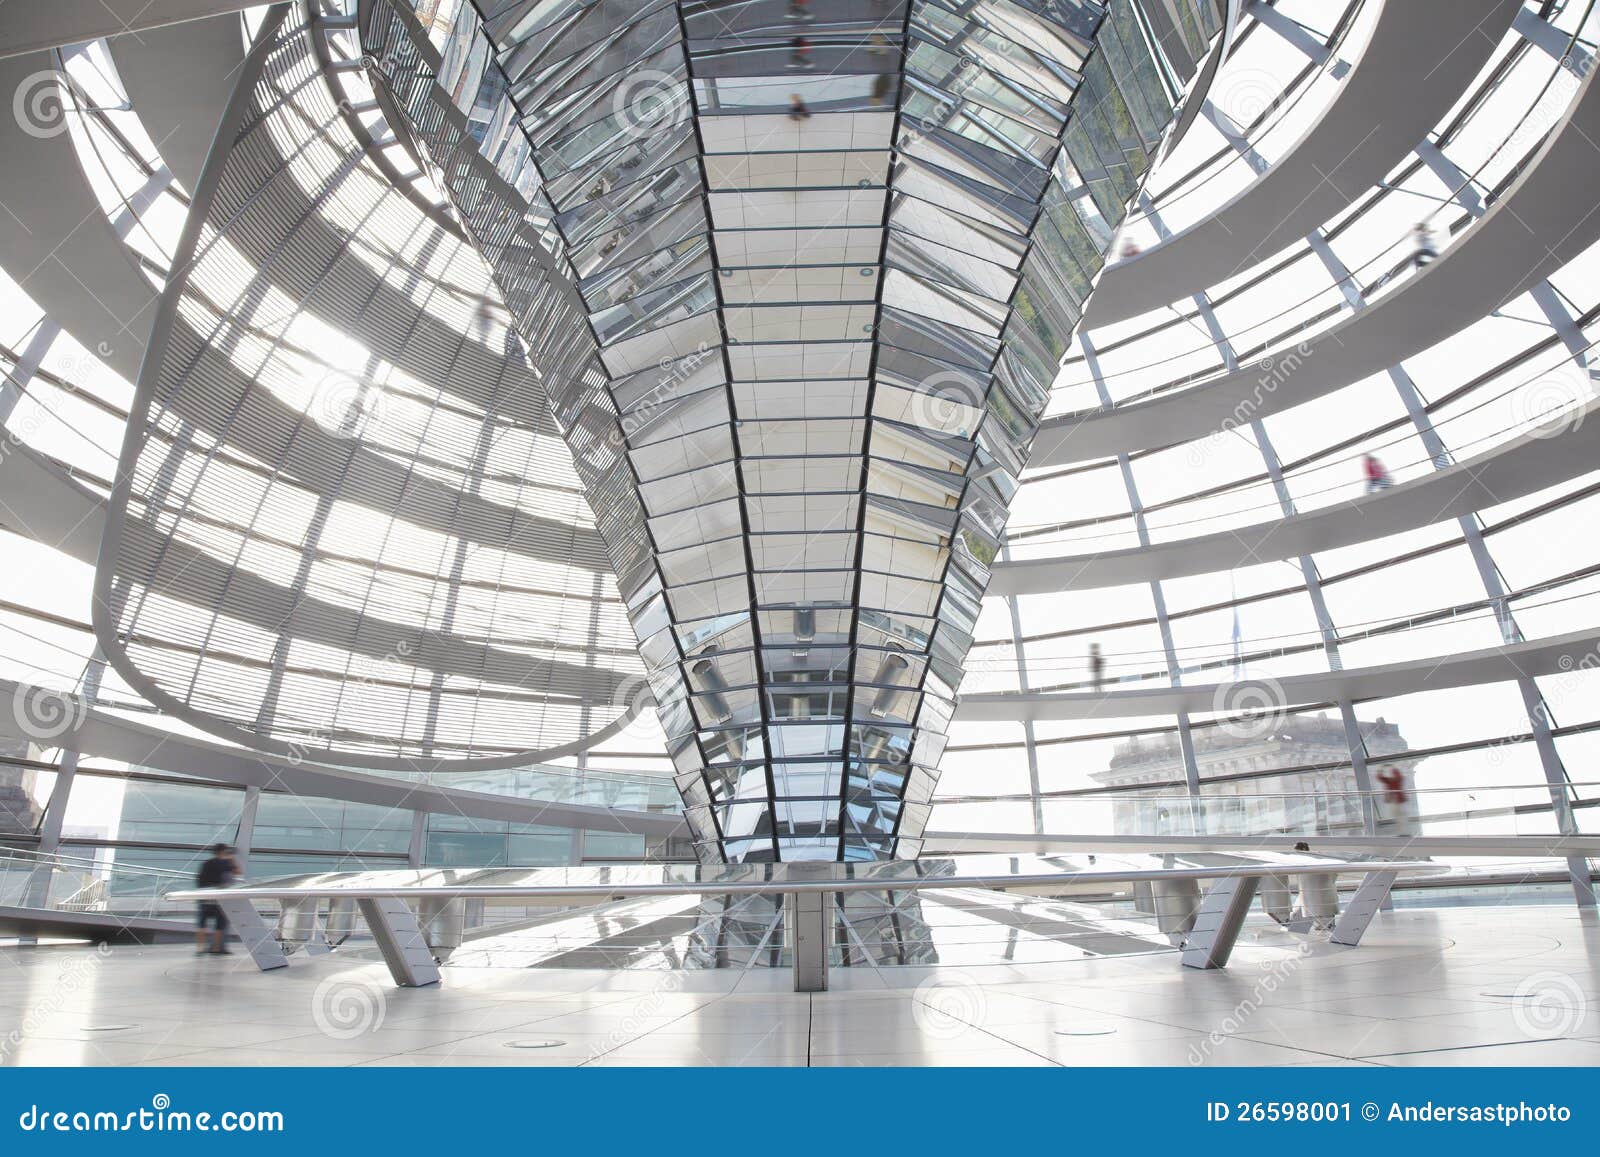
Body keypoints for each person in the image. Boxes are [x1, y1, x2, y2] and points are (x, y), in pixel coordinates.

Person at [194, 843, 237, 956]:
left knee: (202, 924)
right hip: (218, 898)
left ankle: (199, 949)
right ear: (223, 851)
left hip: (204, 896)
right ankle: (216, 949)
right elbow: (238, 872)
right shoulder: (224, 863)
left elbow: (199, 879)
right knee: (219, 925)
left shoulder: (206, 863)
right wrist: (231, 859)